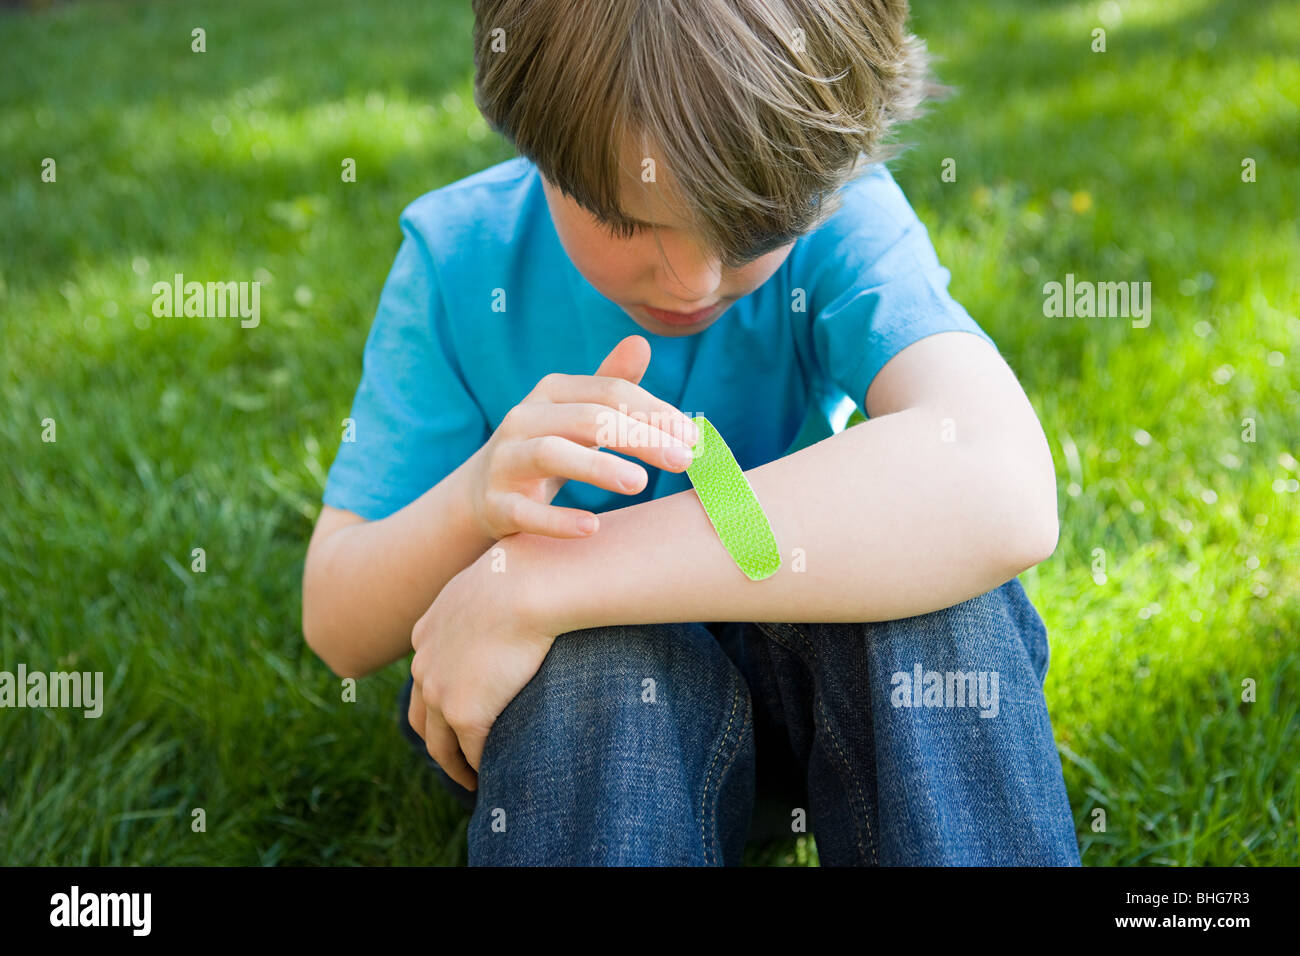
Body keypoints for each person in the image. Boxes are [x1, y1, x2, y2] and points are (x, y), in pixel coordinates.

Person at [302, 0, 1081, 866]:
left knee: (938, 601)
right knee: (595, 668)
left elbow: (997, 477)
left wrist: (541, 580)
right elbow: (337, 621)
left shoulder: (842, 215)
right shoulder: (459, 258)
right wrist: (474, 504)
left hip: (794, 703)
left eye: (753, 223)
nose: (696, 278)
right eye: (632, 222)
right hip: (574, 742)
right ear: (535, 140)